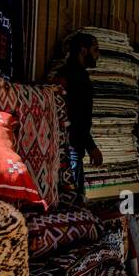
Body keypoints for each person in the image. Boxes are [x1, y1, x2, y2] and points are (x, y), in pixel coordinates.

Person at [59, 31, 102, 198]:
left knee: (74, 196)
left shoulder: (66, 73)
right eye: (95, 49)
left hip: (67, 145)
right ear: (84, 50)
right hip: (72, 145)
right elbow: (76, 117)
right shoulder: (78, 77)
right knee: (72, 199)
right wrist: (91, 146)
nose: (98, 55)